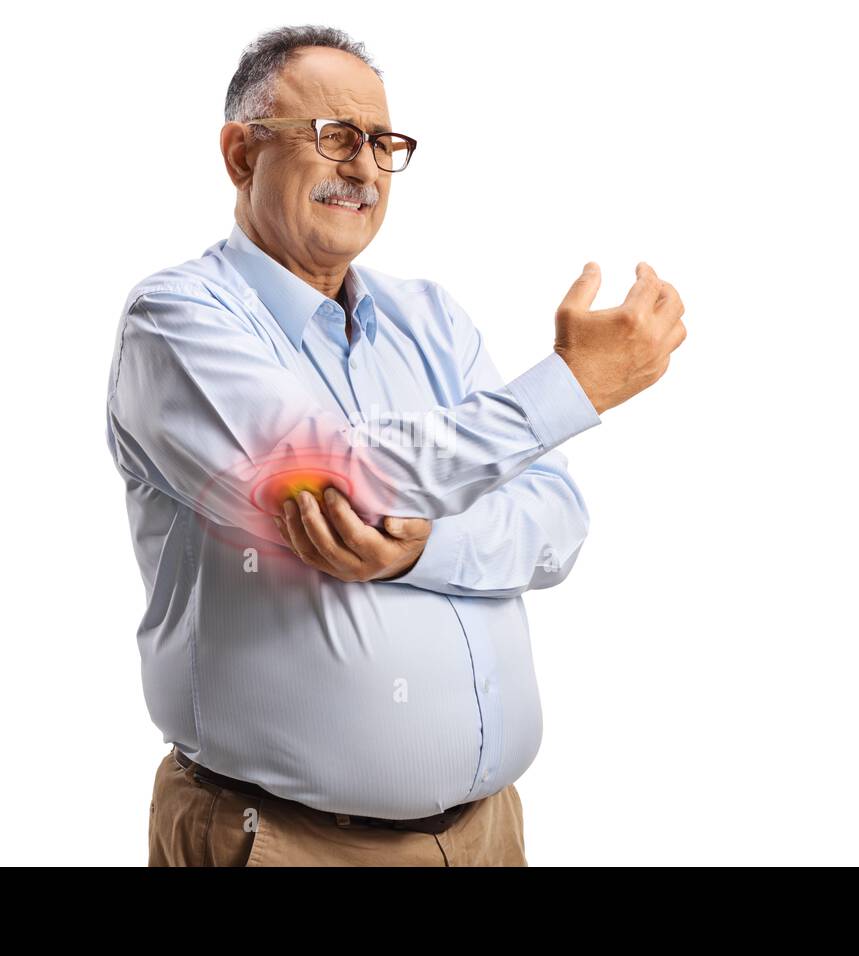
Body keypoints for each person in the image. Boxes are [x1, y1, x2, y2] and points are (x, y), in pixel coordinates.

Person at [105, 24, 686, 866]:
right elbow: (336, 482)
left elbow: (555, 522)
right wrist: (570, 388)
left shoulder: (433, 319)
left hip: (488, 835)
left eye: (383, 143)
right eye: (334, 136)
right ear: (241, 155)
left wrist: (424, 547)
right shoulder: (176, 320)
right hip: (283, 844)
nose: (365, 167)